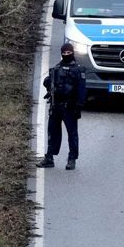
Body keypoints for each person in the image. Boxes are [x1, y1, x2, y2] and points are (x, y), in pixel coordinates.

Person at [40, 42, 86, 170]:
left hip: (70, 107)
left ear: (72, 53)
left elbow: (81, 90)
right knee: (52, 132)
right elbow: (49, 83)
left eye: (68, 52)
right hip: (56, 105)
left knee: (72, 134)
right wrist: (48, 82)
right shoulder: (56, 68)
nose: (66, 55)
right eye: (64, 53)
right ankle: (49, 158)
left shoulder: (78, 70)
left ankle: (72, 159)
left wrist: (79, 106)